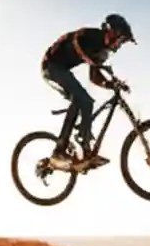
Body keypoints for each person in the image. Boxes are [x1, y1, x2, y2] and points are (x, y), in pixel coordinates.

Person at [41, 13, 135, 168]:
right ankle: (64, 151)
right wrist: (89, 59)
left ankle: (77, 151)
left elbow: (94, 78)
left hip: (61, 70)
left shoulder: (101, 52)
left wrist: (112, 85)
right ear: (113, 33)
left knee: (82, 101)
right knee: (84, 100)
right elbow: (76, 40)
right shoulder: (92, 35)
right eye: (121, 40)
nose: (120, 45)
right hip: (51, 67)